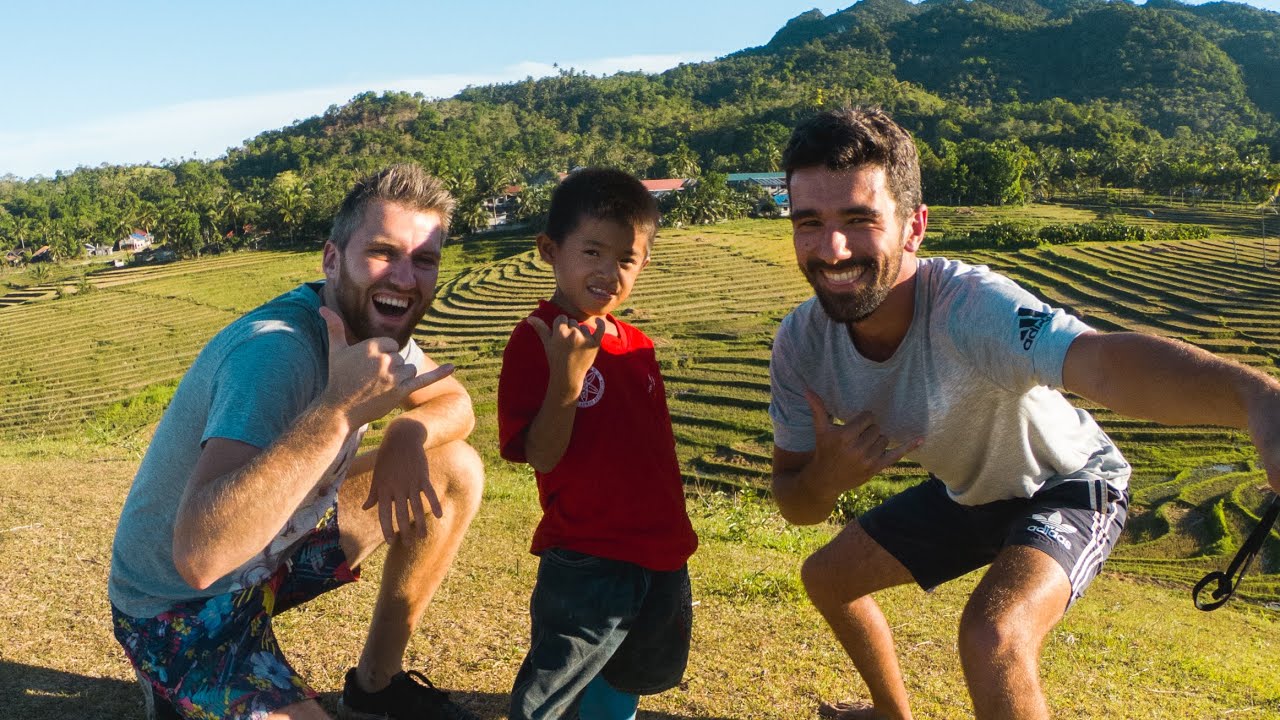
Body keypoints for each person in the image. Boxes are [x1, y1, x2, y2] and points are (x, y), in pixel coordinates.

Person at [768, 108, 1280, 720]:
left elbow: (1103, 362)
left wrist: (1260, 400)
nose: (833, 248)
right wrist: (825, 478)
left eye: (859, 219)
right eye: (810, 222)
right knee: (827, 577)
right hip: (971, 491)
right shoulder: (800, 345)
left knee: (993, 634)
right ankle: (888, 714)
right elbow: (796, 503)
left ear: (913, 227)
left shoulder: (970, 306)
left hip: (1068, 483)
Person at [108, 164, 484, 720]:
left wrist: (410, 430)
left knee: (453, 466)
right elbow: (200, 558)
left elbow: (455, 402)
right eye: (383, 252)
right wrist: (337, 409)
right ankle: (172, 686)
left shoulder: (372, 331)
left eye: (424, 260)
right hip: (179, 606)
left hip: (274, 557)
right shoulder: (278, 352)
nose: (405, 279)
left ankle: (375, 687)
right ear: (333, 259)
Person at [497, 168, 699, 720]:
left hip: (659, 550)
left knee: (630, 674)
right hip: (589, 553)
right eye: (592, 251)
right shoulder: (536, 337)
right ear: (550, 250)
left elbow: (655, 455)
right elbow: (540, 454)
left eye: (626, 258)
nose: (609, 272)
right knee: (552, 691)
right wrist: (565, 379)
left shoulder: (637, 345)